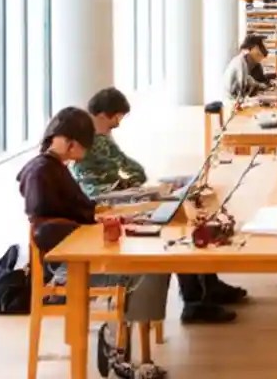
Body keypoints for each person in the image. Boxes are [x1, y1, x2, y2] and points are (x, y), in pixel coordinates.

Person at [71, 88, 247, 324]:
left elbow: (122, 173)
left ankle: (204, 288)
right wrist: (134, 186)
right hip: (109, 204)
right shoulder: (98, 141)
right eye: (116, 120)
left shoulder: (89, 138)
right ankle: (196, 298)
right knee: (177, 221)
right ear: (102, 115)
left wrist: (133, 186)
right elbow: (134, 171)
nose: (117, 126)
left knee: (180, 214)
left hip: (111, 199)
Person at [18, 107, 170, 378]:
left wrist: (102, 220)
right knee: (150, 268)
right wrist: (90, 226)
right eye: (83, 145)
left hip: (77, 252)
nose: (85, 152)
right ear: (69, 141)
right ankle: (119, 349)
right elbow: (46, 226)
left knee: (151, 264)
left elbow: (75, 212)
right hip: (67, 266)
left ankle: (122, 347)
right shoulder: (42, 172)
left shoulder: (51, 168)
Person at [223, 34, 272, 103]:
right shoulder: (240, 64)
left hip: (238, 101)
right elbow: (240, 95)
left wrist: (263, 86)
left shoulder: (250, 63)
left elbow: (252, 81)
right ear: (254, 48)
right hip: (231, 103)